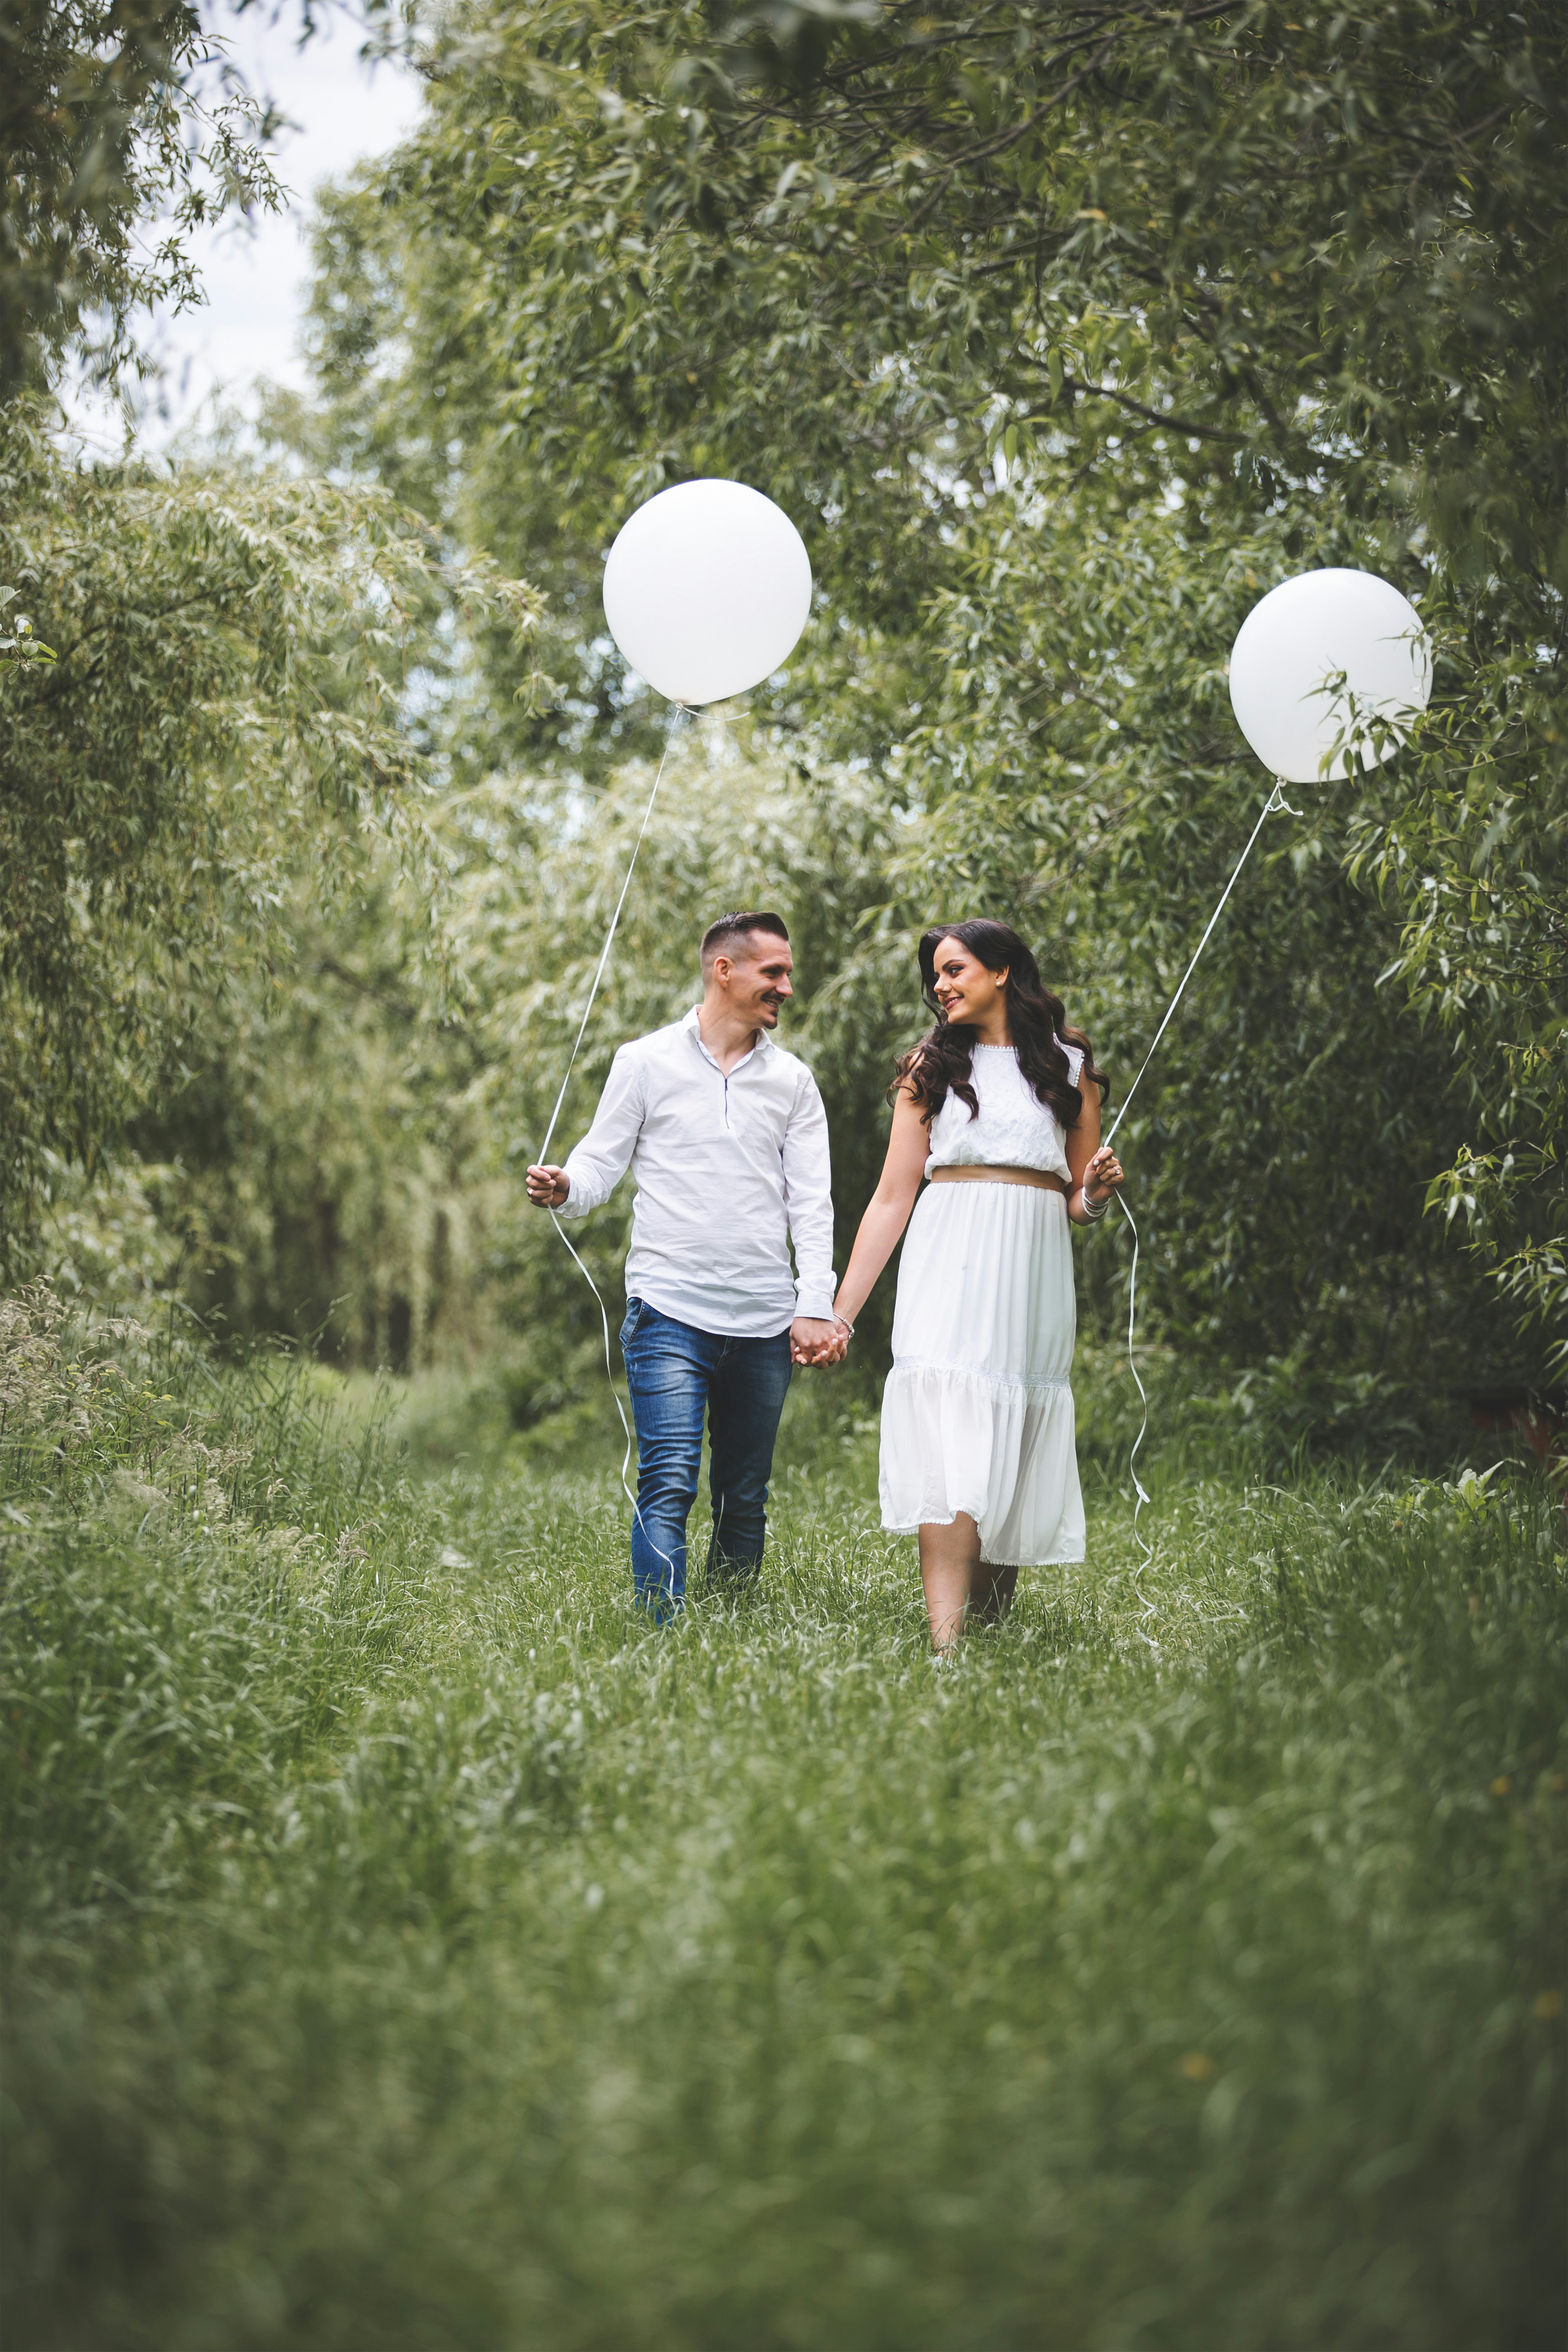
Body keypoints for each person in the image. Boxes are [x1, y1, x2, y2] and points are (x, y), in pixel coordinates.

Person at [526, 911, 842, 1614]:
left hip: (763, 1322)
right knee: (668, 1478)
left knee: (744, 1493)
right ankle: (661, 1633)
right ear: (722, 971)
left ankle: (726, 1628)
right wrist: (567, 1187)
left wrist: (814, 1302)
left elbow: (812, 1204)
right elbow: (599, 1164)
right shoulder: (644, 1061)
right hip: (668, 1311)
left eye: (787, 972)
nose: (787, 987)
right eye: (774, 972)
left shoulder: (793, 1082)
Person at [828, 920, 1124, 1650]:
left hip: (1032, 1262)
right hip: (948, 1251)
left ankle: (988, 1632)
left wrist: (1096, 1193)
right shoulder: (928, 1068)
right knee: (950, 1432)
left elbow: (1076, 1203)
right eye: (935, 975)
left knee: (1011, 1432)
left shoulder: (1067, 1062)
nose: (940, 985)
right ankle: (945, 1645)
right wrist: (840, 1314)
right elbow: (892, 1196)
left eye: (954, 969)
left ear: (1002, 972)